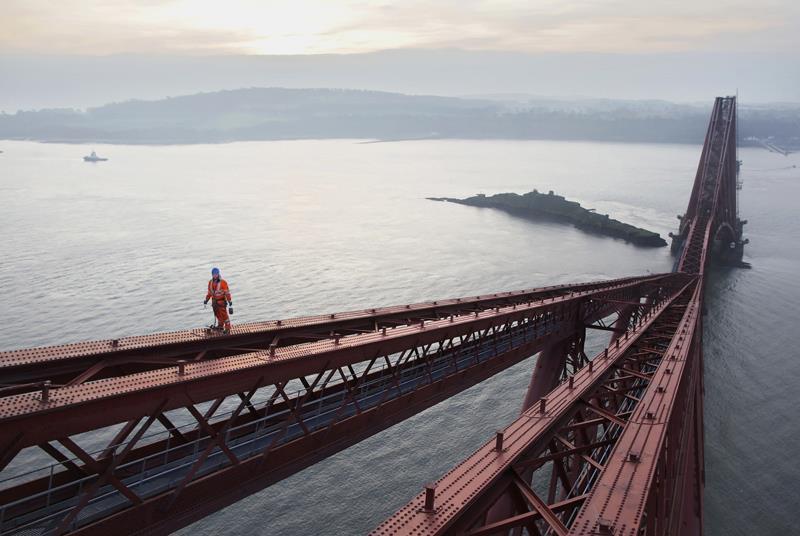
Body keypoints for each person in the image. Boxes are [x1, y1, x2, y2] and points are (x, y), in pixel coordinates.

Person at [204, 267, 233, 333]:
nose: (215, 275)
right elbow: (209, 293)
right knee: (217, 315)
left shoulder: (223, 282)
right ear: (212, 274)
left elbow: (227, 293)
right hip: (214, 302)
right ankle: (220, 326)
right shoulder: (210, 282)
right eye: (214, 274)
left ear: (218, 274)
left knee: (224, 315)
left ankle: (227, 328)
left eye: (216, 274)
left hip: (221, 301)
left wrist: (229, 301)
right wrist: (206, 300)